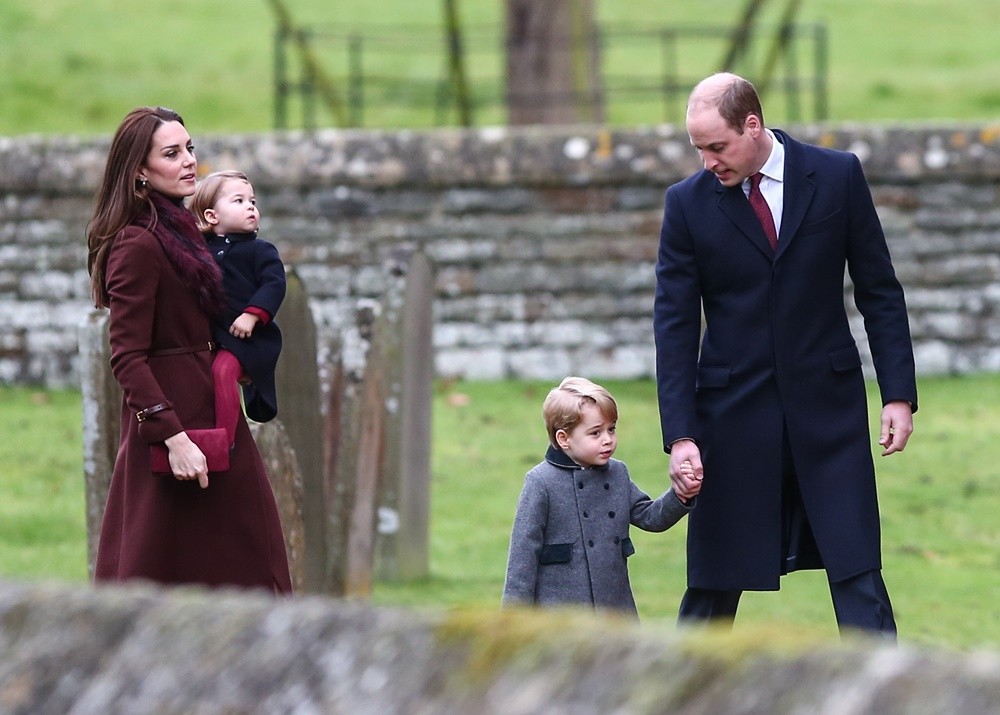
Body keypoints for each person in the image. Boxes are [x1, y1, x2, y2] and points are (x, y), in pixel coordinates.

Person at [653, 72, 916, 639]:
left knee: (859, 575)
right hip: (732, 420)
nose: (707, 162)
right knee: (712, 588)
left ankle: (892, 697)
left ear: (753, 125)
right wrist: (681, 435)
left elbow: (879, 290)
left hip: (829, 413)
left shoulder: (838, 176)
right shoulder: (686, 206)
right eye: (697, 148)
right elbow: (673, 329)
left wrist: (897, 393)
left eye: (717, 147)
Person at [86, 106, 292, 593]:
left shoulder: (186, 232)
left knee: (250, 558)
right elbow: (127, 357)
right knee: (161, 565)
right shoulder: (137, 244)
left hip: (214, 409)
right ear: (139, 171)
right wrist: (172, 437)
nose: (188, 162)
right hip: (171, 424)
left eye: (190, 149)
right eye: (171, 153)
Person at [502, 376, 698, 617]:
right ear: (564, 439)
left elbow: (651, 517)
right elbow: (522, 556)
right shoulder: (540, 482)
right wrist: (511, 622)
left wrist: (680, 494)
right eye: (595, 433)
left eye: (611, 429)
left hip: (616, 612)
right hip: (560, 618)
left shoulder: (618, 473)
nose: (608, 439)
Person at [189, 170, 285, 442]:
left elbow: (274, 285)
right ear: (211, 216)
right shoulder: (199, 252)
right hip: (215, 336)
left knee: (223, 372)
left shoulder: (261, 251)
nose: (250, 207)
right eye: (239, 201)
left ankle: (225, 440)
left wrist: (252, 315)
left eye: (252, 201)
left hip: (251, 339)